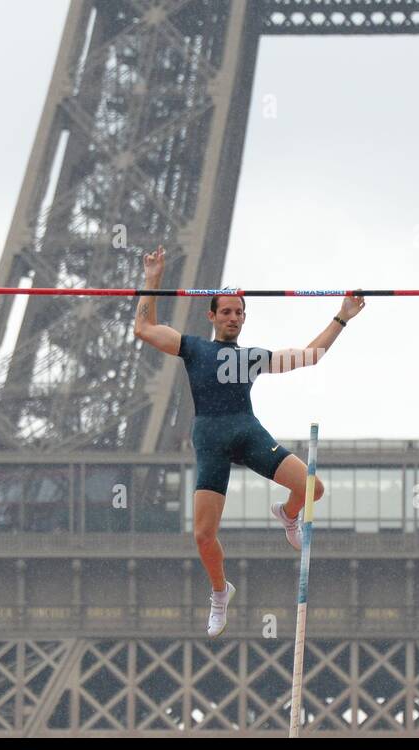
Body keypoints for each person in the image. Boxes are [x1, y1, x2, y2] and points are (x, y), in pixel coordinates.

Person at [132, 246, 365, 638]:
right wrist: (153, 279)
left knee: (313, 488)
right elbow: (143, 329)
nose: (234, 317)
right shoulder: (194, 348)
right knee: (204, 536)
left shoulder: (253, 358)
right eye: (226, 311)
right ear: (212, 316)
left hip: (246, 431)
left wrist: (342, 316)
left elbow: (311, 356)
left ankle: (288, 514)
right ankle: (220, 592)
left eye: (239, 312)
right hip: (210, 439)